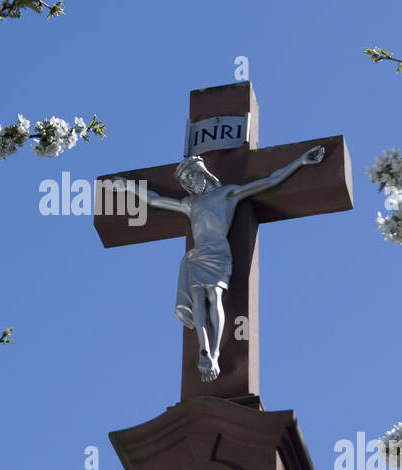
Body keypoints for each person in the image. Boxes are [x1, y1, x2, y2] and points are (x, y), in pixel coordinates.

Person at [114, 145, 325, 381]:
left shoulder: (227, 194)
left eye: (191, 176)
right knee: (197, 303)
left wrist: (301, 162)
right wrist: (128, 187)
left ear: (202, 173)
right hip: (198, 256)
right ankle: (205, 351)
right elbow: (155, 200)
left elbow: (269, 181)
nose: (189, 184)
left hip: (218, 255)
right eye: (185, 182)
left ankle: (214, 354)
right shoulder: (189, 204)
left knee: (214, 296)